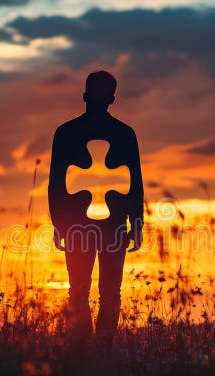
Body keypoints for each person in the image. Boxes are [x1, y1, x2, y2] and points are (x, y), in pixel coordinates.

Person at [48, 70, 144, 347]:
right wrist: (58, 224)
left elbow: (134, 183)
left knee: (100, 292)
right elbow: (56, 182)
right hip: (85, 226)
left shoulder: (70, 133)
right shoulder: (121, 134)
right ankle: (88, 350)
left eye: (103, 95)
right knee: (87, 292)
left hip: (101, 227)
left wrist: (136, 224)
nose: (101, 100)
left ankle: (97, 350)